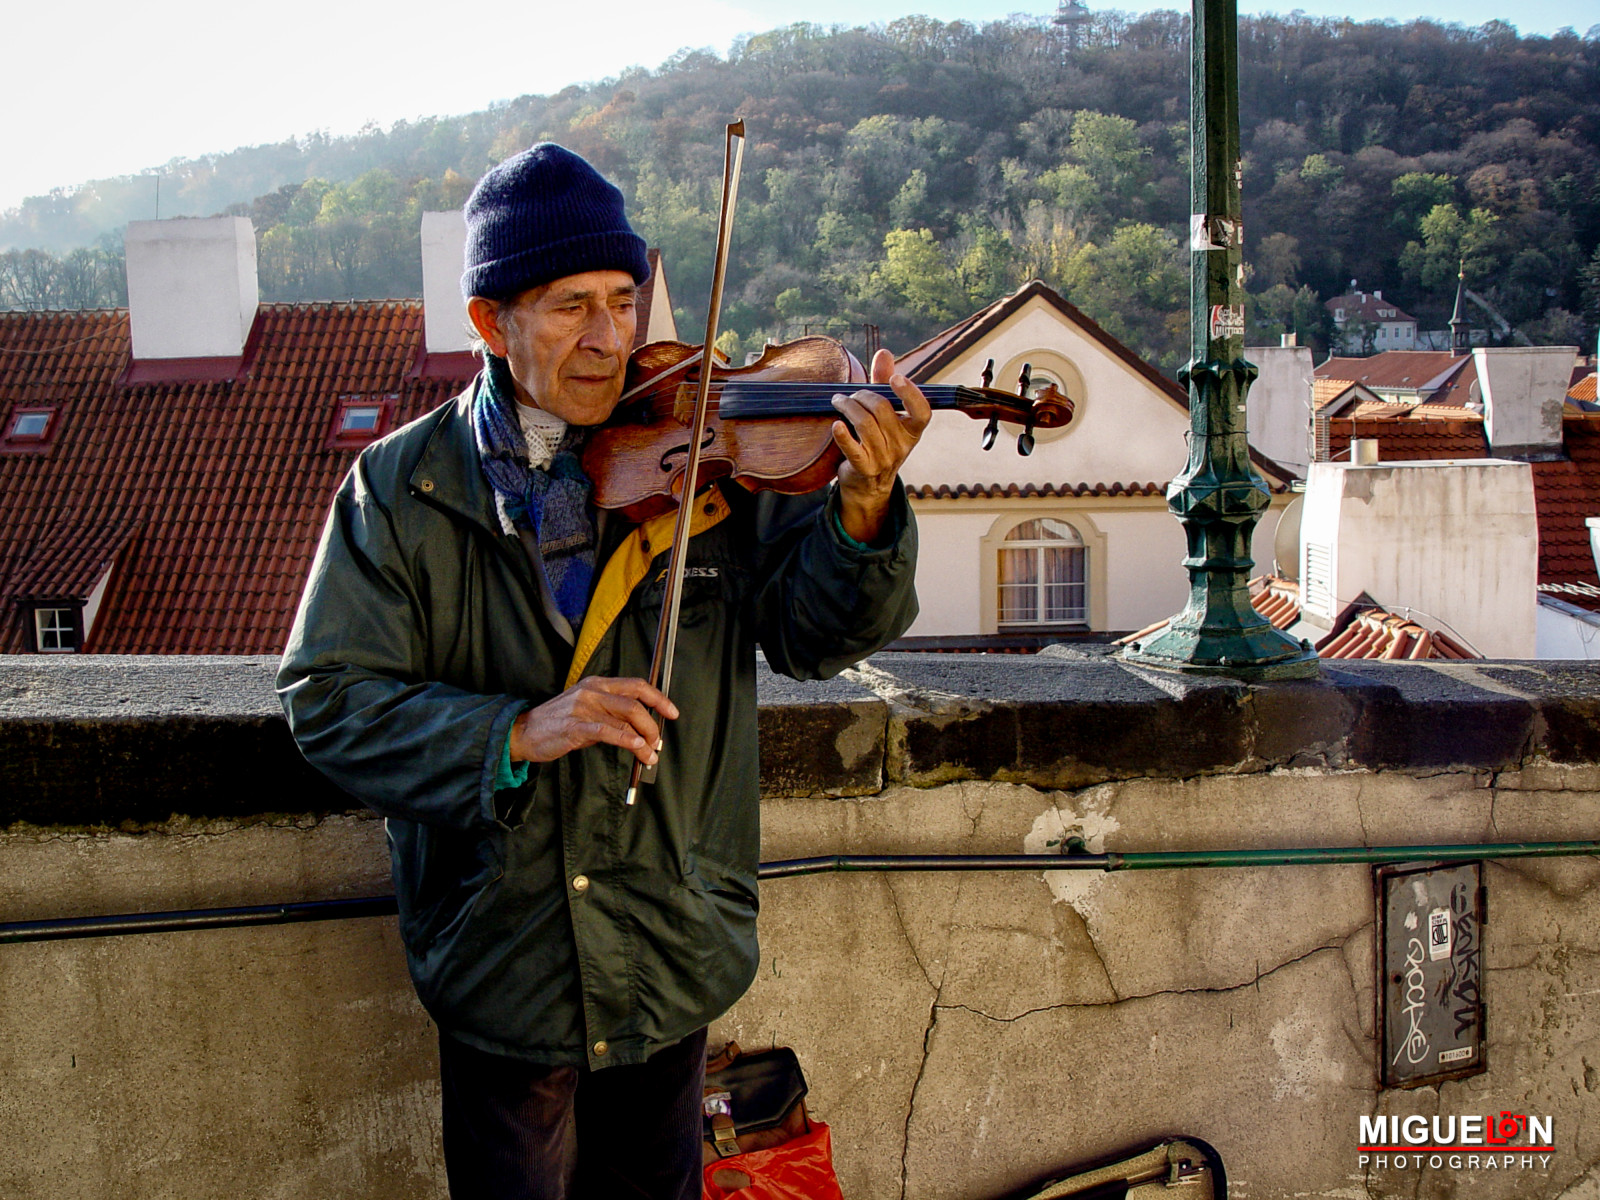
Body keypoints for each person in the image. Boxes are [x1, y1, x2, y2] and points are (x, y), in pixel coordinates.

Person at [276, 143, 927, 1199]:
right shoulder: (400, 488)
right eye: (571, 306)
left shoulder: (711, 446)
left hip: (669, 936)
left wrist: (862, 511)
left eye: (623, 301)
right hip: (504, 955)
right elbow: (330, 701)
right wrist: (514, 734)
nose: (612, 339)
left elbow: (814, 636)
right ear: (493, 323)